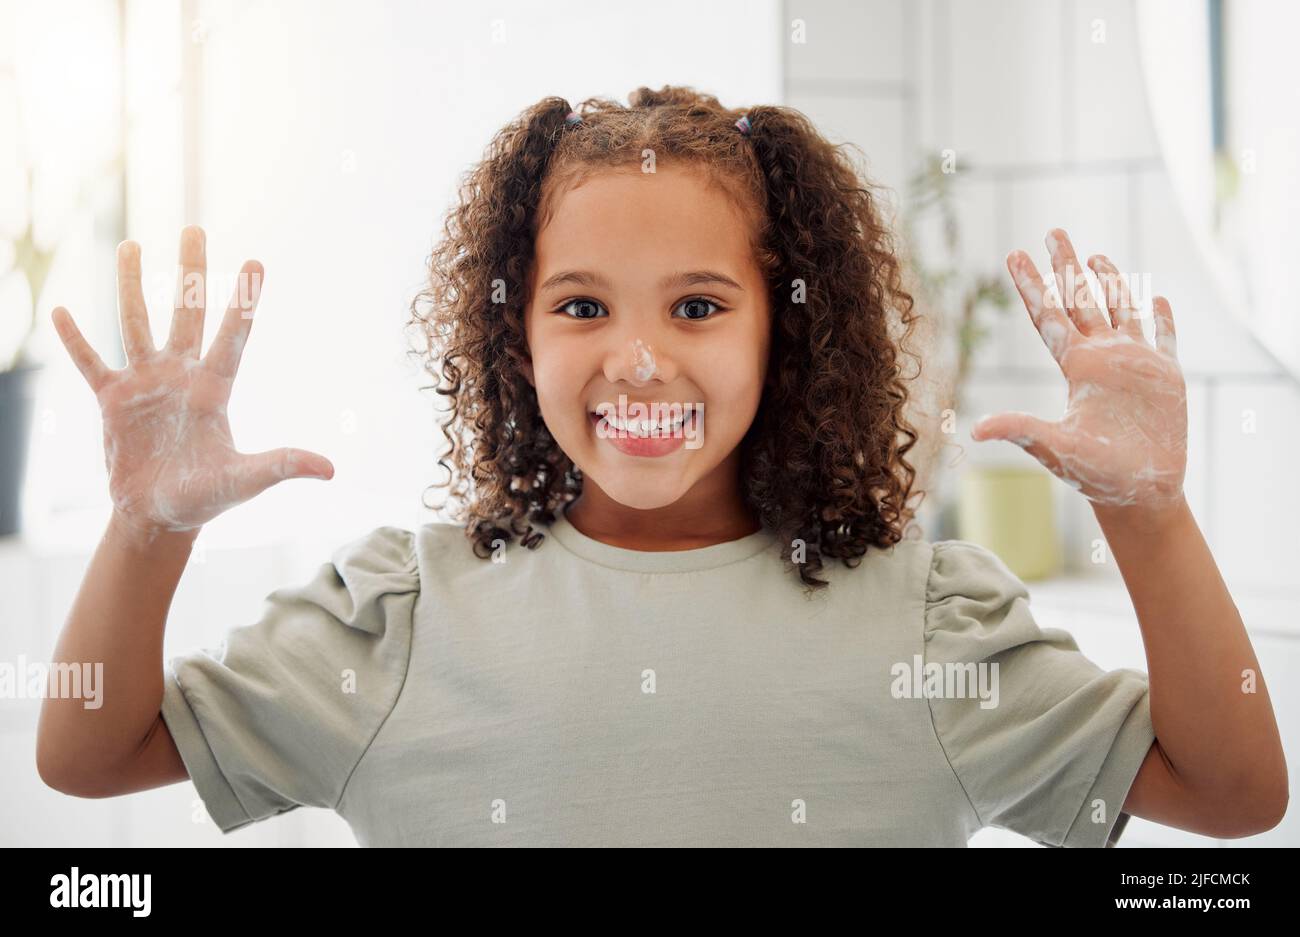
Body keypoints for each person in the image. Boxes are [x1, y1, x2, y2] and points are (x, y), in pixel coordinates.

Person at [36, 85, 1287, 847]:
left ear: (783, 327)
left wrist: (1151, 514)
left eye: (696, 308)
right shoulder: (399, 619)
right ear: (512, 334)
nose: (636, 360)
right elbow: (89, 757)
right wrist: (148, 527)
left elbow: (1232, 796)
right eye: (580, 307)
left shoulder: (921, 626)